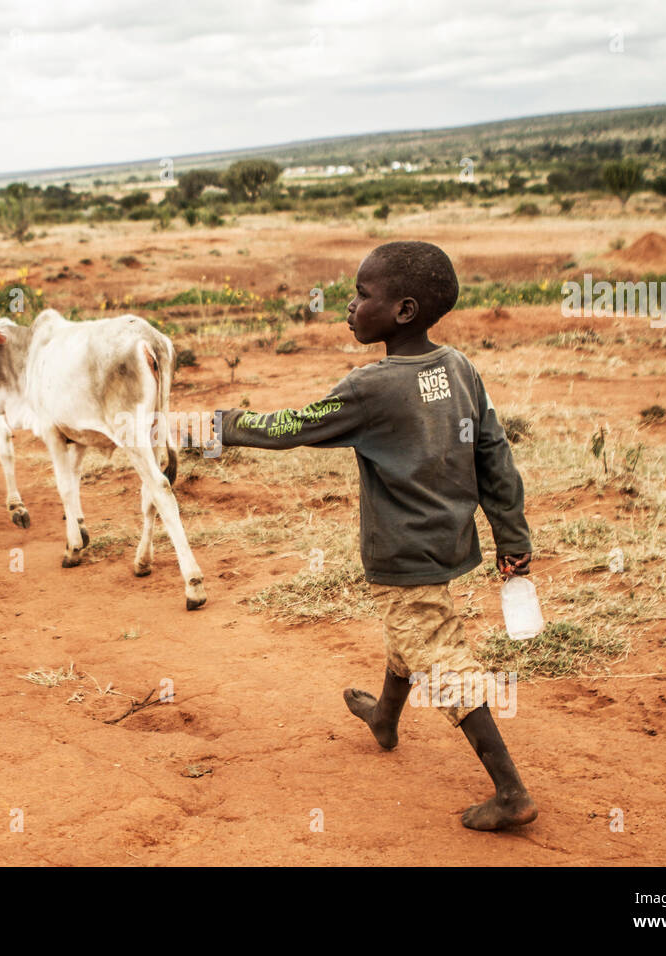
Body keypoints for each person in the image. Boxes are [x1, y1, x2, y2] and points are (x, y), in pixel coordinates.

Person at [208, 241, 537, 830]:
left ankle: (511, 792)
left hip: (403, 550)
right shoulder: (458, 367)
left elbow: (290, 428)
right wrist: (512, 536)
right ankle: (385, 717)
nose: (350, 307)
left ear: (404, 311)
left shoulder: (373, 386)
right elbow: (494, 453)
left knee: (441, 657)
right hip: (448, 542)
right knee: (410, 628)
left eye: (362, 295)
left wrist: (216, 426)